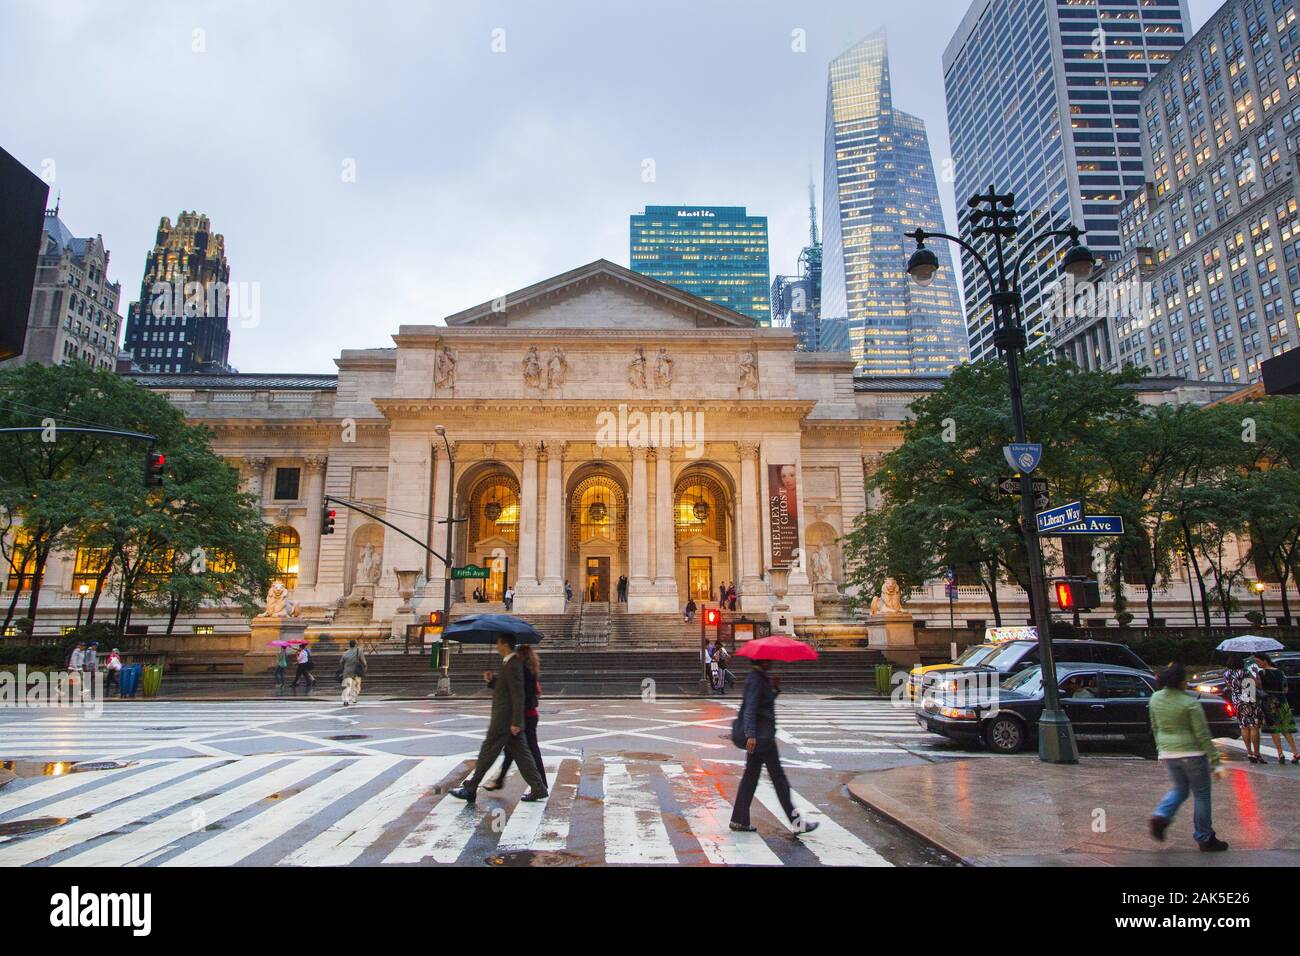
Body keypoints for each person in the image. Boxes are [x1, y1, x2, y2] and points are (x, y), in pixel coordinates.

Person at [450, 636, 548, 804]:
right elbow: (508, 688)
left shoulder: (514, 664)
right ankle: (538, 788)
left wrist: (517, 721)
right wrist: (492, 681)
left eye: (498, 642)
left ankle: (471, 788)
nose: (496, 646)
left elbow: (518, 693)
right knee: (523, 756)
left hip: (505, 720)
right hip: (507, 720)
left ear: (504, 644)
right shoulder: (509, 663)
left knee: (487, 753)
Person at [730, 658, 818, 835]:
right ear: (763, 662)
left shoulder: (758, 677)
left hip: (761, 736)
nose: (771, 662)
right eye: (768, 660)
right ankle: (797, 823)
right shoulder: (756, 679)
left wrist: (774, 688)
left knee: (750, 778)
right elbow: (751, 708)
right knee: (779, 780)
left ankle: (739, 819)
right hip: (762, 738)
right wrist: (751, 734)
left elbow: (762, 704)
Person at [1148, 663, 1228, 851]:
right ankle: (1205, 837)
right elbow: (1202, 735)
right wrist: (1216, 762)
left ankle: (1161, 815)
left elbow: (1155, 726)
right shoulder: (1190, 703)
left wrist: (1161, 750)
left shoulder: (1155, 698)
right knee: (1201, 794)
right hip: (1192, 754)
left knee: (1180, 789)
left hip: (1169, 752)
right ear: (1181, 682)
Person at [484, 645, 546, 792]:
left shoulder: (523, 671)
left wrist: (493, 682)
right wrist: (492, 681)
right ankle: (500, 780)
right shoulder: (529, 670)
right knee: (513, 751)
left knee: (526, 751)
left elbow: (515, 690)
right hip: (528, 715)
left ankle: (541, 784)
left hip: (524, 717)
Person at [1251, 653, 1298, 764]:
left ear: (1265, 661)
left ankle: (1280, 753)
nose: (1257, 664)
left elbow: (1258, 685)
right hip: (1282, 701)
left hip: (1269, 702)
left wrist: (1256, 674)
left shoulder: (1262, 673)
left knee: (1274, 728)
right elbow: (1285, 689)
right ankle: (1295, 752)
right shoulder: (1280, 672)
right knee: (1286, 728)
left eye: (1258, 661)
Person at [1223, 655, 1264, 763]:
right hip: (1249, 699)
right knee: (1254, 726)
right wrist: (1256, 673)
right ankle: (1256, 753)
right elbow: (1257, 684)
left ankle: (1249, 752)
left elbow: (1229, 687)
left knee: (1244, 726)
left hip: (1237, 701)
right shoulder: (1245, 672)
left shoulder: (1226, 674)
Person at [339, 639, 367, 706]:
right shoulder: (359, 651)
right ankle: (354, 699)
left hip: (347, 672)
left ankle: (346, 700)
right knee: (356, 685)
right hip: (356, 671)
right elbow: (364, 662)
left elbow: (341, 662)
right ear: (355, 644)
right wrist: (365, 667)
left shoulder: (345, 653)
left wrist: (344, 668)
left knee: (348, 687)